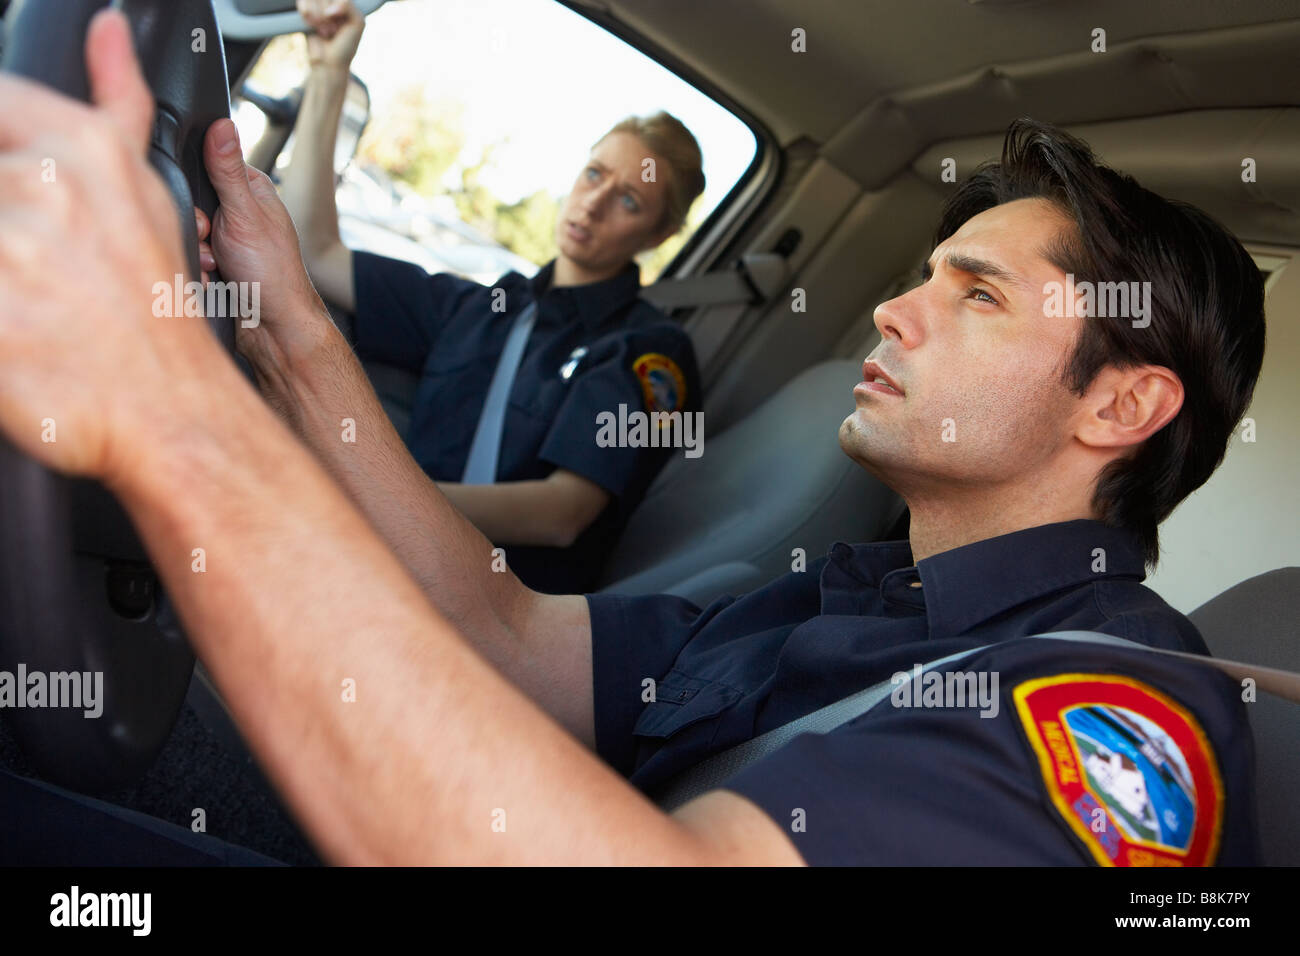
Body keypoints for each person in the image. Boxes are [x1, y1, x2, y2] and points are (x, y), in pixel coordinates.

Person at [0, 11, 1266, 865]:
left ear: (1118, 407)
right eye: (923, 273)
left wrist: (182, 427)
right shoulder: (851, 597)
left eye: (975, 293)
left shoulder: (1116, 712)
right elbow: (502, 632)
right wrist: (281, 335)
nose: (892, 307)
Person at [247, 0, 705, 593]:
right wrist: (331, 71)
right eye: (594, 174)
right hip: (382, 565)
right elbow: (316, 251)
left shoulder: (648, 349)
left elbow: (561, 514)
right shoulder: (488, 305)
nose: (592, 203)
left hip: (491, 610)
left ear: (658, 234)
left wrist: (372, 495)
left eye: (628, 201)